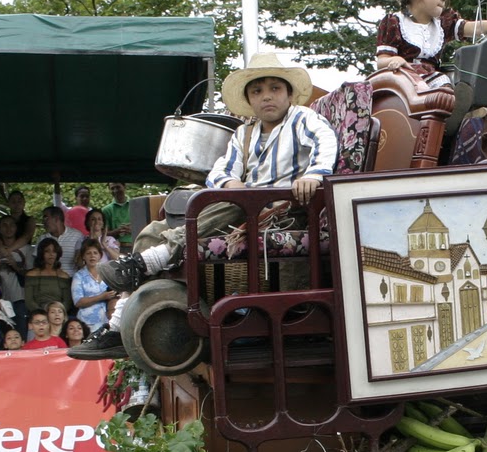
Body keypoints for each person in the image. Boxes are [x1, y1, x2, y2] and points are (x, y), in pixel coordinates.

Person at [100, 52, 338, 294]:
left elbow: (325, 140)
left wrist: (313, 175)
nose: (266, 96)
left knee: (238, 203)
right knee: (154, 230)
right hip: (246, 206)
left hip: (283, 211)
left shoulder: (302, 118)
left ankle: (152, 260)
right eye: (257, 91)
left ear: (289, 94)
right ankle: (124, 309)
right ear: (249, 100)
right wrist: (231, 184)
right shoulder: (244, 134)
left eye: (275, 88)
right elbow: (220, 170)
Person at [71, 239, 118, 331]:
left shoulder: (107, 273)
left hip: (108, 321)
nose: (92, 256)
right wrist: (101, 297)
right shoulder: (79, 276)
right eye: (88, 253)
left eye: (95, 253)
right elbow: (78, 302)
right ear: (83, 256)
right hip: (87, 323)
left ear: (100, 255)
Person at [24, 238, 74, 316]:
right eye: (47, 251)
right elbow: (29, 301)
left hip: (59, 316)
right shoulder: (32, 275)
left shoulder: (63, 276)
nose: (51, 254)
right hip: (38, 316)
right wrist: (42, 313)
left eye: (54, 251)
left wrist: (56, 313)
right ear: (41, 253)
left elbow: (67, 302)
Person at [101, 182, 133, 249]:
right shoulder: (106, 210)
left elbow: (145, 227)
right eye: (112, 188)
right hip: (115, 248)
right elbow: (102, 234)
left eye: (118, 187)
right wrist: (117, 231)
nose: (115, 191)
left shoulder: (136, 205)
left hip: (135, 245)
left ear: (124, 187)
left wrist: (133, 229)